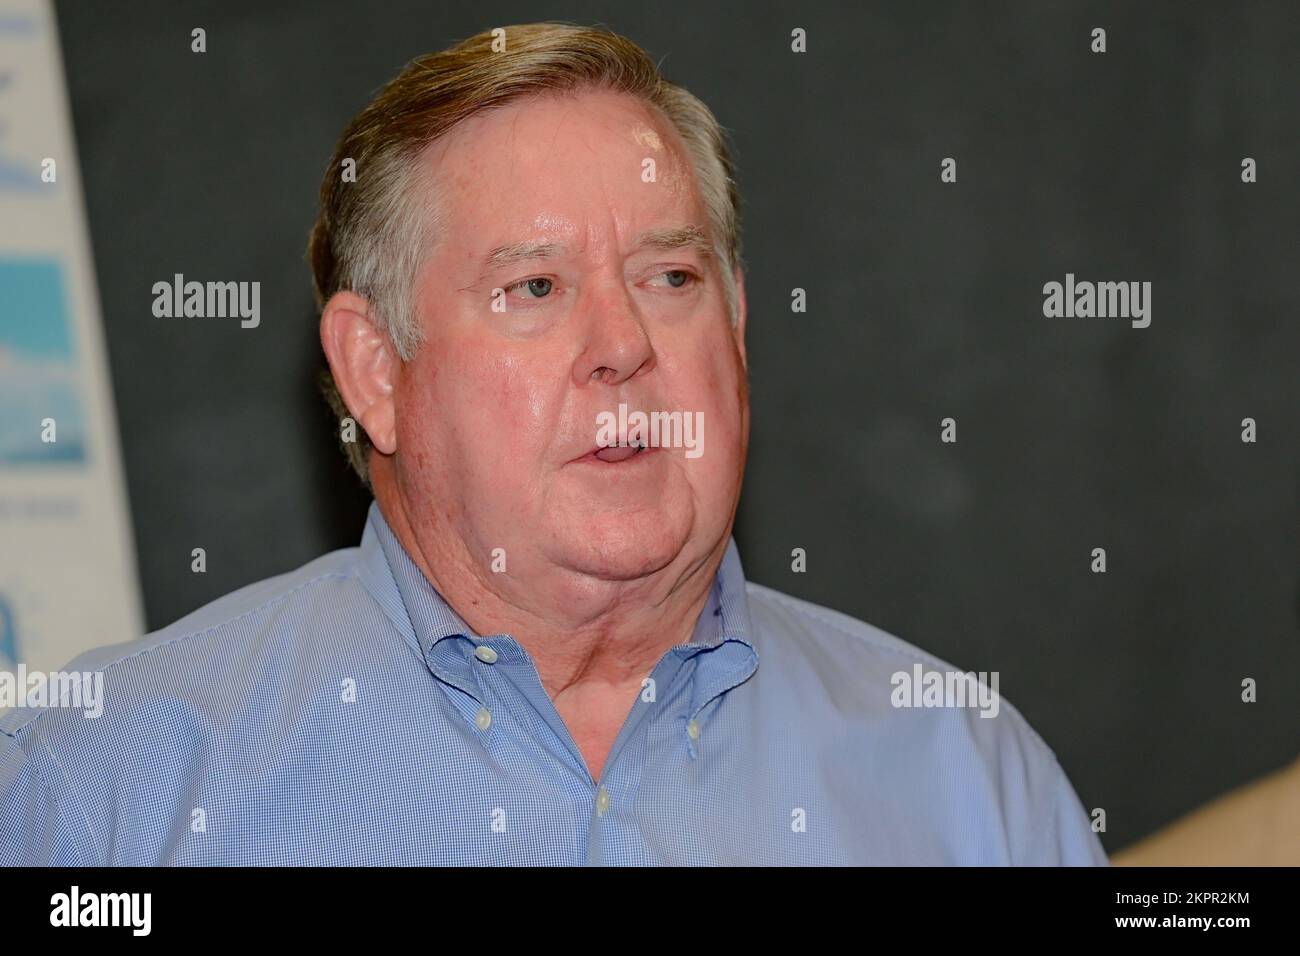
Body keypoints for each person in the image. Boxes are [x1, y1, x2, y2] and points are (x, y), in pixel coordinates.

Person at [0, 22, 1107, 865]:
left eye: (669, 277)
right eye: (533, 286)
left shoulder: (965, 777)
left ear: (737, 322)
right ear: (376, 371)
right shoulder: (112, 792)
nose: (622, 343)